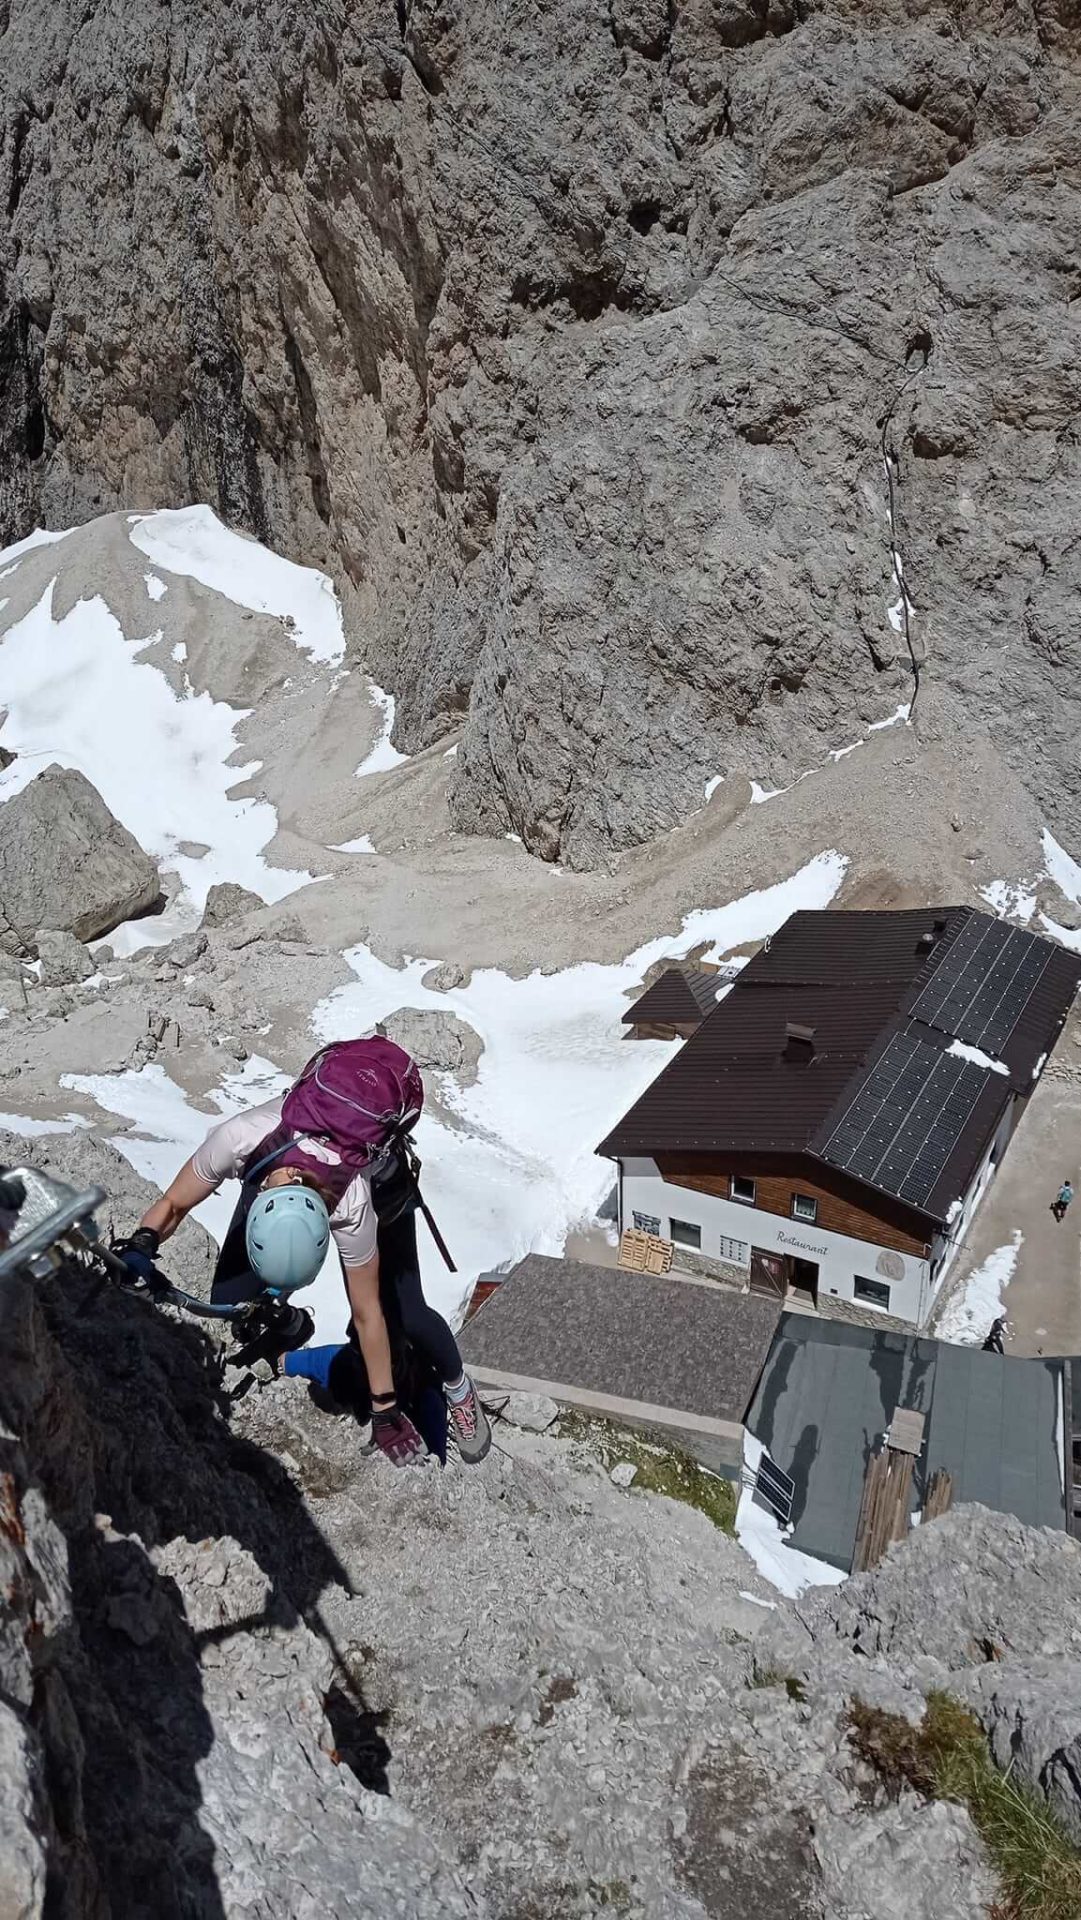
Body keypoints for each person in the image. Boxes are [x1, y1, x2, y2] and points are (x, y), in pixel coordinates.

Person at [113, 1049, 491, 1467]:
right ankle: (290, 1328)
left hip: (385, 1185)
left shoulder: (353, 1204)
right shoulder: (242, 1138)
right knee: (232, 1298)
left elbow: (367, 1314)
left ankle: (457, 1387)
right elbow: (173, 1203)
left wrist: (384, 1409)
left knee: (406, 1310)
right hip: (275, 1165)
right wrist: (142, 1244)